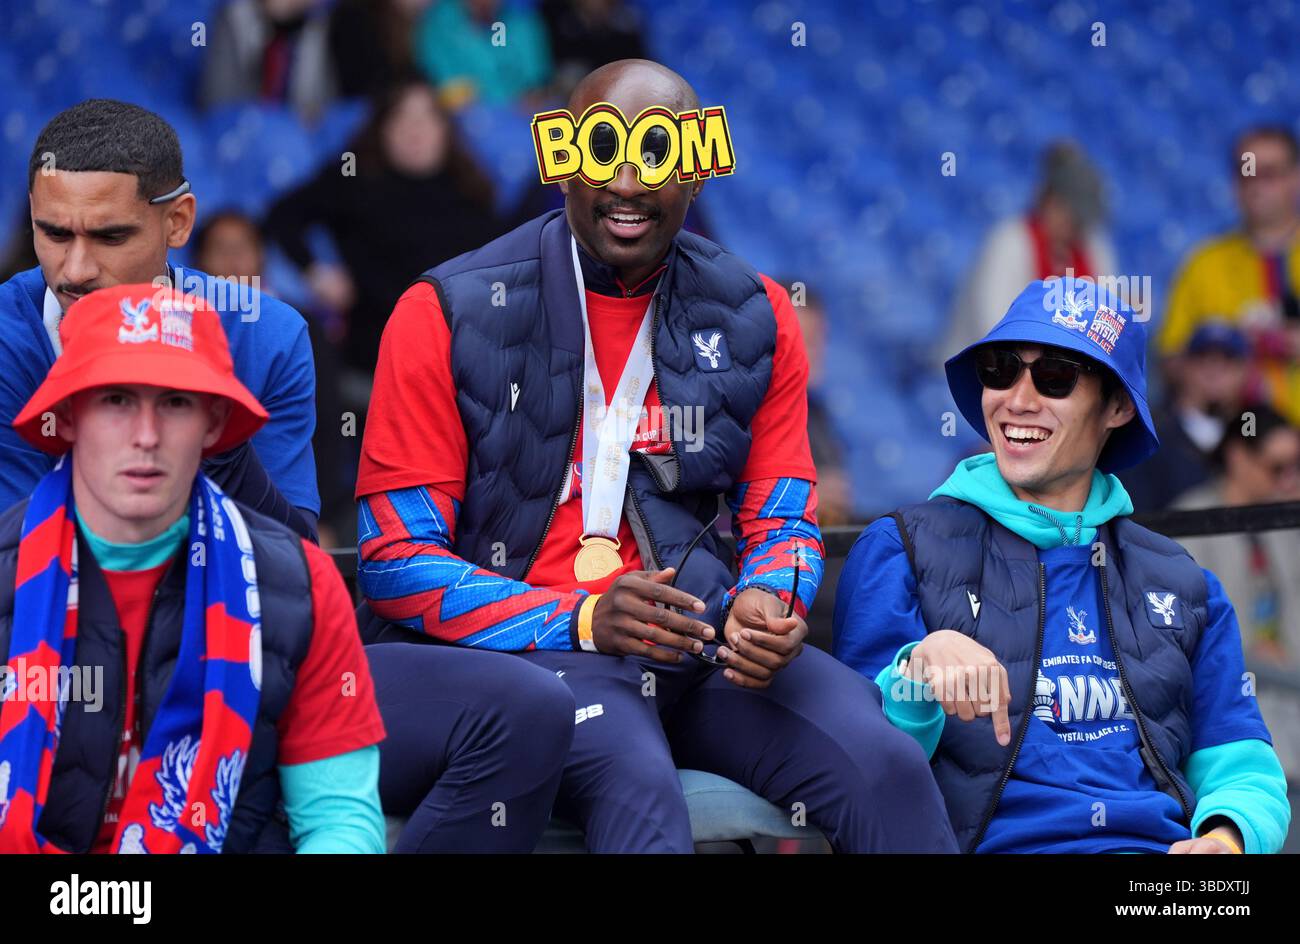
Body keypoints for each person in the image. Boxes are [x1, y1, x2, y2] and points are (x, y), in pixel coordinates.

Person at [355, 59, 957, 853]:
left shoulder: (757, 312)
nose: (628, 183)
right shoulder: (446, 312)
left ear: (698, 171)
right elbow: (396, 561)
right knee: (638, 796)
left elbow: (784, 519)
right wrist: (580, 616)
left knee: (886, 767)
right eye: (604, 151)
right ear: (563, 160)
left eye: (658, 154)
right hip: (537, 654)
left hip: (706, 650)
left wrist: (770, 600)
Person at [834, 277, 1291, 853]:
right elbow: (849, 771)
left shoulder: (1183, 581)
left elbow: (1244, 768)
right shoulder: (900, 547)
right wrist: (916, 673)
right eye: (1001, 368)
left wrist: (1226, 839)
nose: (1018, 399)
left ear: (1118, 407)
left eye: (1055, 377)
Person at [0, 284, 385, 853]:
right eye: (115, 399)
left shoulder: (302, 585)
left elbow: (338, 822)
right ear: (70, 417)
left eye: (176, 402)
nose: (146, 436)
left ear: (212, 424)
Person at [1, 99, 320, 541]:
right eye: (54, 233)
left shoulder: (266, 336)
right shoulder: (5, 337)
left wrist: (212, 419)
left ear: (178, 221)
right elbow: (13, 559)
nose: (75, 270)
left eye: (110, 236)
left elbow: (291, 552)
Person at [264, 77, 502, 380]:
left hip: (459, 355)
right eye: (402, 118)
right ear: (382, 129)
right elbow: (283, 215)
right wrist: (314, 271)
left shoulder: (472, 190)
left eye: (427, 118)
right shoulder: (355, 180)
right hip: (375, 350)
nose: (415, 131)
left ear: (445, 131)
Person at [1158, 126, 1300, 424]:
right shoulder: (1203, 263)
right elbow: (1170, 358)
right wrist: (1210, 369)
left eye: (1270, 173)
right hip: (1231, 449)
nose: (1256, 185)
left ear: (1294, 177)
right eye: (1246, 172)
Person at [942, 141, 1118, 357]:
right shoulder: (1010, 242)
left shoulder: (1094, 246)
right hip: (987, 369)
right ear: (1048, 201)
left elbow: (1108, 325)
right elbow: (994, 327)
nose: (1074, 224)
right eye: (1069, 212)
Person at [1121, 322, 1251, 512]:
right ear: (1183, 367)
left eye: (1227, 361)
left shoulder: (1253, 428)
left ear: (1243, 371)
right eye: (1202, 359)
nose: (1214, 371)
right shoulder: (1147, 433)